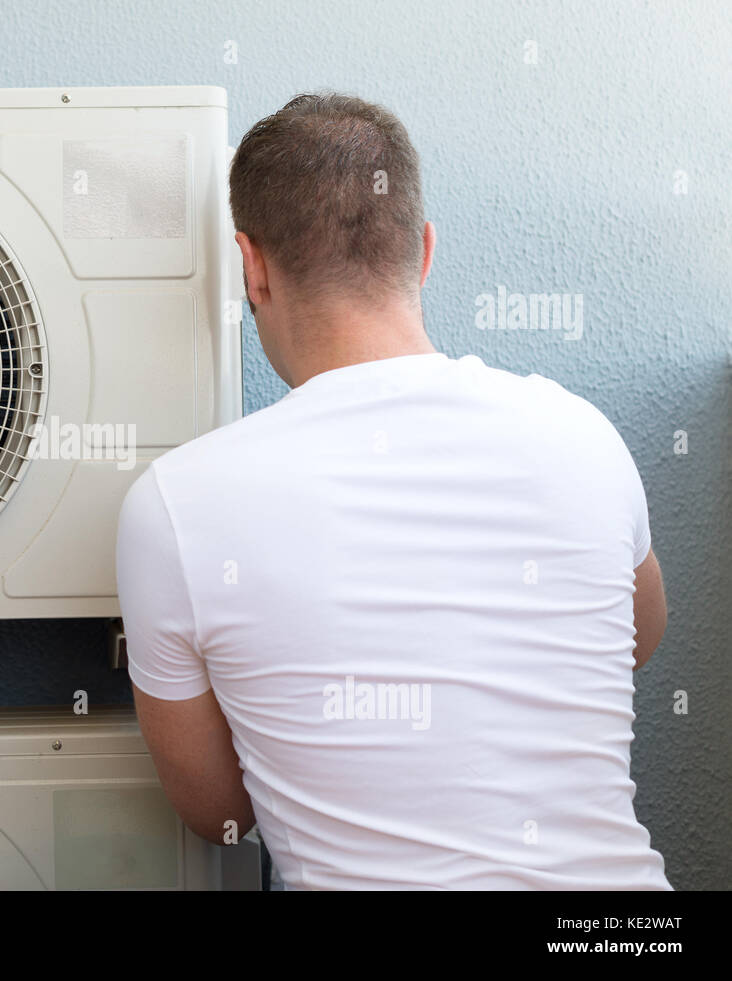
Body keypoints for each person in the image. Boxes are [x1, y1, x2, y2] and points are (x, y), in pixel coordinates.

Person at [115, 92, 670, 890]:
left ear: (253, 267)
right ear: (425, 251)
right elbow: (635, 639)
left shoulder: (174, 504)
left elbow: (220, 814)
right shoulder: (582, 433)